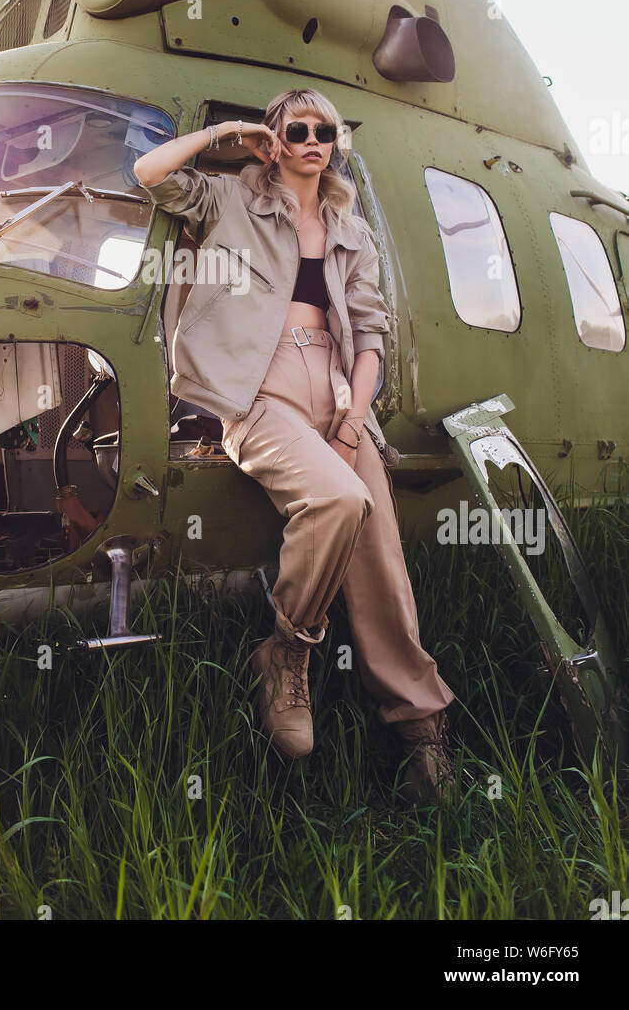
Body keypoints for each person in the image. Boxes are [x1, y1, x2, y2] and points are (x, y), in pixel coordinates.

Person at [133, 87, 456, 802]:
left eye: (326, 130)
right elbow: (150, 173)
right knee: (339, 502)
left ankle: (421, 734)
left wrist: (351, 420)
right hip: (262, 393)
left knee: (382, 566)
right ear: (277, 138)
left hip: (339, 396)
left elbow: (370, 337)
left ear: (337, 143)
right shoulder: (227, 200)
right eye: (297, 128)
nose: (314, 139)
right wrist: (235, 135)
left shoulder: (351, 229)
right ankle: (287, 651)